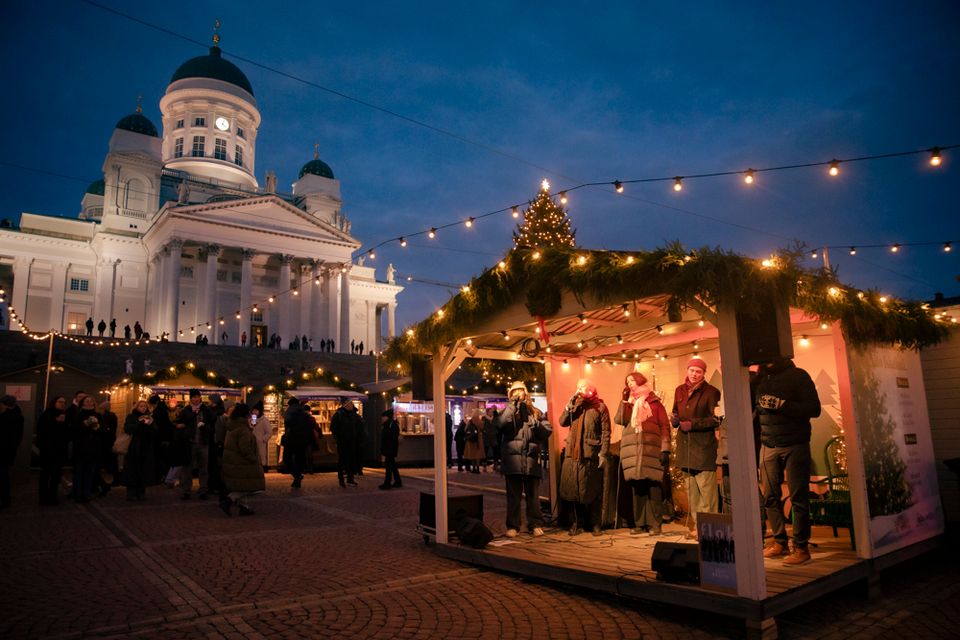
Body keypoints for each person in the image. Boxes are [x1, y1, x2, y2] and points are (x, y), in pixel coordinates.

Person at [756, 356, 822, 566]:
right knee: (770, 496)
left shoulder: (798, 376)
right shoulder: (759, 379)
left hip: (795, 443)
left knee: (798, 497)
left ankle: (801, 547)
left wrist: (782, 405)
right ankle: (780, 542)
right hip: (768, 444)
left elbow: (814, 409)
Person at [671, 357, 721, 537]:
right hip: (685, 448)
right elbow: (675, 410)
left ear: (703, 373)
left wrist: (693, 424)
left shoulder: (712, 392)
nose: (694, 374)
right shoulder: (679, 390)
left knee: (707, 492)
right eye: (692, 370)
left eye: (698, 371)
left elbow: (716, 419)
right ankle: (700, 527)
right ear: (687, 370)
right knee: (692, 492)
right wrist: (674, 419)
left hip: (703, 448)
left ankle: (711, 529)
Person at [617, 372, 671, 536]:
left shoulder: (654, 403)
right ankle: (640, 523)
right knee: (637, 488)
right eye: (628, 382)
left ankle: (655, 524)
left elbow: (664, 426)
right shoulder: (630, 403)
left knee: (653, 488)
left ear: (640, 381)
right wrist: (624, 401)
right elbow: (620, 420)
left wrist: (665, 448)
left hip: (651, 450)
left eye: (632, 380)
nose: (630, 384)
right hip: (634, 451)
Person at [498, 381, 552, 537]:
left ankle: (535, 524)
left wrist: (534, 423)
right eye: (514, 391)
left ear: (526, 393)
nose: (518, 393)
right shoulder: (507, 412)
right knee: (513, 496)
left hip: (531, 460)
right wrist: (512, 407)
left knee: (533, 496)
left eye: (520, 390)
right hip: (513, 460)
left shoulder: (535, 412)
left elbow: (546, 432)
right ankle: (513, 526)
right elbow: (500, 424)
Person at [560, 379, 611, 536]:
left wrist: (603, 453)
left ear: (592, 390)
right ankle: (576, 523)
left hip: (590, 454)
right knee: (574, 490)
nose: (580, 390)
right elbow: (562, 422)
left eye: (583, 387)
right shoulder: (575, 406)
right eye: (579, 387)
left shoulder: (600, 407)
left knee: (592, 490)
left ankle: (595, 524)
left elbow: (606, 432)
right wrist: (569, 405)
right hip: (573, 454)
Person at [220, 403, 265, 516]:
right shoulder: (243, 429)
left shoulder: (232, 425)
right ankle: (229, 500)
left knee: (243, 484)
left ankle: (244, 507)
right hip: (242, 462)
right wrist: (253, 458)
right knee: (249, 487)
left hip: (234, 461)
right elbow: (245, 448)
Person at [175, 389, 214, 500]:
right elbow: (178, 422)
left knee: (203, 468)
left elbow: (212, 424)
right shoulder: (186, 410)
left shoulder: (206, 410)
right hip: (189, 443)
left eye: (197, 397)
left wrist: (205, 426)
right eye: (193, 397)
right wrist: (181, 426)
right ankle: (186, 491)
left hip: (203, 442)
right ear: (190, 398)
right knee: (187, 467)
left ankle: (203, 490)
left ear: (200, 397)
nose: (196, 399)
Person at [121, 399, 157, 500]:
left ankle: (141, 491)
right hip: (134, 447)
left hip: (146, 447)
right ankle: (131, 492)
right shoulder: (131, 416)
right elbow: (127, 429)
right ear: (136, 407)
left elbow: (155, 432)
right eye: (141, 406)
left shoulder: (149, 417)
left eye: (145, 406)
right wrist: (140, 423)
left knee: (144, 470)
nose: (143, 408)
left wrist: (150, 425)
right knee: (132, 469)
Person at [37, 396, 69, 505]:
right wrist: (56, 422)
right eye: (60, 402)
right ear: (54, 402)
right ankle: (43, 497)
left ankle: (53, 496)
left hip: (59, 451)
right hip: (47, 450)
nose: (62, 404)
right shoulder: (46, 415)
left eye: (64, 402)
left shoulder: (64, 415)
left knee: (56, 476)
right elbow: (42, 431)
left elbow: (66, 433)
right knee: (45, 475)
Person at [70, 395, 102, 503]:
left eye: (91, 401)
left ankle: (86, 494)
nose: (89, 402)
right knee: (79, 472)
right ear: (82, 403)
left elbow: (102, 431)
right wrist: (85, 425)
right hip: (80, 448)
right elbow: (74, 430)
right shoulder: (78, 415)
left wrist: (97, 427)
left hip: (93, 448)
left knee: (89, 472)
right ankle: (77, 494)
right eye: (86, 401)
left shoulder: (98, 415)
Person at [330, 399, 363, 487]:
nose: (352, 405)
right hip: (342, 442)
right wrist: (338, 438)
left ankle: (350, 479)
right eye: (350, 404)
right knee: (342, 460)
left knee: (351, 460)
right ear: (345, 405)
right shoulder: (338, 415)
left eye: (352, 404)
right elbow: (333, 428)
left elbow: (360, 427)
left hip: (352, 441)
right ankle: (341, 479)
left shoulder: (354, 415)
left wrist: (358, 437)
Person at [0, 395, 25, 508]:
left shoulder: (5, 418)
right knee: (4, 475)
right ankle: (6, 499)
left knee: (3, 476)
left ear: (5, 405)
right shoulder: (19, 416)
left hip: (3, 452)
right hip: (10, 452)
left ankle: (5, 500)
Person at [282, 398, 312, 488]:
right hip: (302, 440)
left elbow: (288, 424)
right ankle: (297, 479)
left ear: (290, 404)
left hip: (291, 439)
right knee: (299, 460)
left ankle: (297, 475)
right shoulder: (304, 413)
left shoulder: (289, 411)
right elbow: (309, 427)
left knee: (286, 459)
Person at [95, 401, 118, 495]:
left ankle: (113, 479)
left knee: (109, 461)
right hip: (109, 441)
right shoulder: (112, 416)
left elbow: (107, 429)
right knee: (112, 461)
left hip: (107, 441)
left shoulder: (108, 416)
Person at [378, 409, 401, 489]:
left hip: (390, 449)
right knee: (392, 466)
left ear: (387, 417)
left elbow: (391, 439)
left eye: (383, 417)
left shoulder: (391, 425)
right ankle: (398, 481)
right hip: (389, 449)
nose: (382, 418)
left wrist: (387, 448)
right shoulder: (388, 425)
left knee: (388, 466)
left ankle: (387, 483)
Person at [251, 401, 273, 472]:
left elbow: (269, 432)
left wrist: (263, 439)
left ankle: (262, 469)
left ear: (260, 411)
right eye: (253, 410)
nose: (254, 412)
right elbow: (251, 428)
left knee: (261, 457)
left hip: (260, 443)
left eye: (256, 410)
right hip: (252, 442)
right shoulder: (252, 419)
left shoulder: (264, 420)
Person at [463, 409, 485, 474]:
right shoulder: (479, 421)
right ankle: (477, 468)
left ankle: (473, 468)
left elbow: (465, 429)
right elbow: (482, 428)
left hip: (471, 440)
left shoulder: (470, 421)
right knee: (478, 454)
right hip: (478, 440)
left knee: (472, 455)